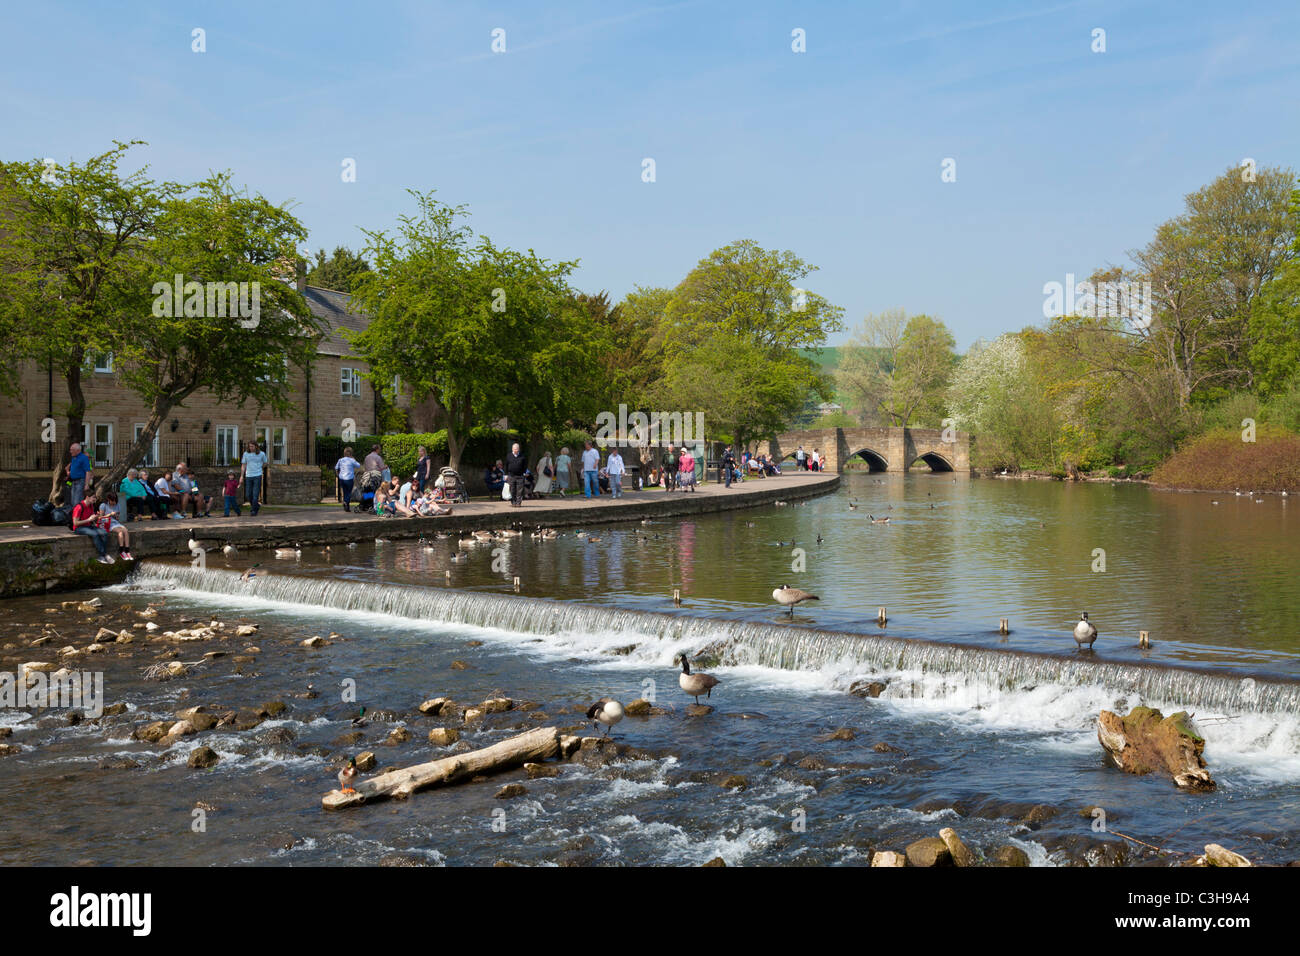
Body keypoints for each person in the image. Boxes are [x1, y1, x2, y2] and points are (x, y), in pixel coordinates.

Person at [71, 489, 112, 564]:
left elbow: (92, 519)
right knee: (95, 534)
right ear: (87, 497)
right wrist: (88, 519)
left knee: (104, 533)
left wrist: (96, 517)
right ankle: (104, 554)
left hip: (88, 526)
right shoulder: (79, 507)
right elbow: (75, 523)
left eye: (95, 497)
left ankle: (102, 556)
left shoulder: (91, 506)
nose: (95, 499)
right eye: (93, 497)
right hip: (79, 528)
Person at [97, 492, 134, 561]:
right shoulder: (103, 505)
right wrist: (110, 514)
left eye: (115, 501)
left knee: (125, 531)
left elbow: (117, 518)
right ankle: (121, 551)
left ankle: (127, 551)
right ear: (108, 499)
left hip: (115, 522)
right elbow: (100, 518)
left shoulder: (117, 505)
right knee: (120, 532)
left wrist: (116, 516)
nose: (114, 503)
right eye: (112, 501)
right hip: (108, 523)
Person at [240, 440, 268, 516]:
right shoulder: (246, 454)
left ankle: (253, 511)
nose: (251, 448)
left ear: (256, 446)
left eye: (252, 446)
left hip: (257, 476)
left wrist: (260, 467)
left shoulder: (262, 454)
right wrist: (241, 476)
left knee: (255, 494)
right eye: (249, 446)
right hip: (248, 476)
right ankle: (256, 506)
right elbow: (243, 465)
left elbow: (265, 463)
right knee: (248, 495)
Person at [65, 441, 92, 508]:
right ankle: (75, 516)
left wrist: (86, 484)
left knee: (77, 501)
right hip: (73, 482)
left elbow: (88, 471)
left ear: (78, 450)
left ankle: (78, 517)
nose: (70, 451)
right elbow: (73, 468)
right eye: (70, 450)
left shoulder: (84, 458)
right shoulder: (74, 458)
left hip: (80, 482)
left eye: (72, 450)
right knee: (72, 501)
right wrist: (68, 475)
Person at [335, 446, 361, 512]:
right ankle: (346, 503)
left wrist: (338, 475)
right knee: (349, 493)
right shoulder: (352, 460)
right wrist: (354, 459)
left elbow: (336, 468)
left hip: (342, 478)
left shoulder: (340, 460)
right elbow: (358, 465)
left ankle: (346, 505)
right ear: (351, 453)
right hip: (349, 478)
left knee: (345, 491)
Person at [505, 443, 528, 507]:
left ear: (519, 449)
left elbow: (525, 465)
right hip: (511, 475)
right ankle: (513, 502)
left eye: (517, 449)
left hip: (520, 476)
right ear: (512, 449)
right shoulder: (508, 456)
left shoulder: (522, 456)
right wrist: (506, 474)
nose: (516, 450)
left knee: (519, 490)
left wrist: (524, 472)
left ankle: (518, 503)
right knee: (512, 490)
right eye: (515, 449)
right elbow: (506, 465)